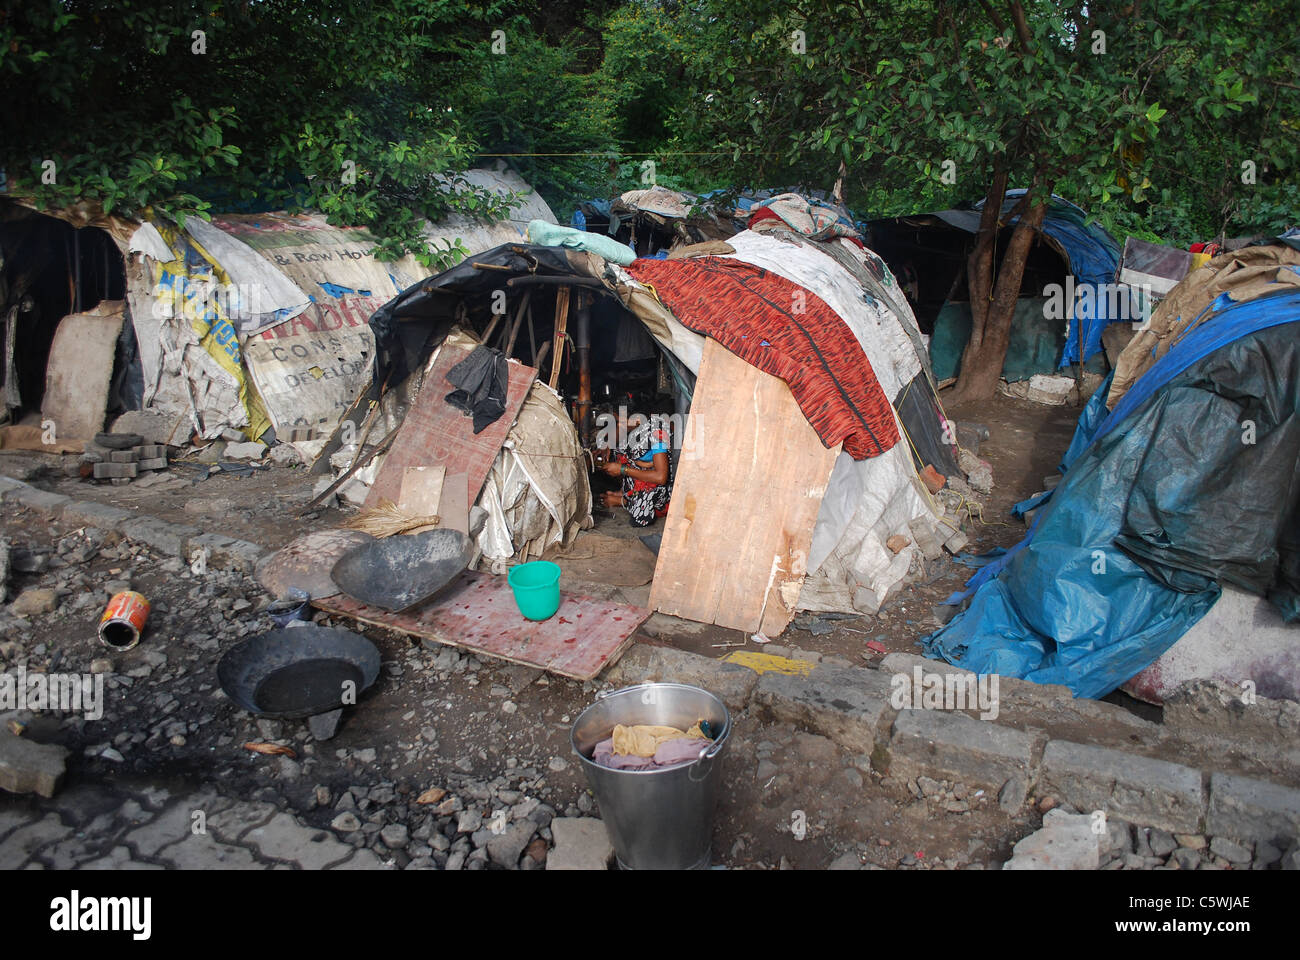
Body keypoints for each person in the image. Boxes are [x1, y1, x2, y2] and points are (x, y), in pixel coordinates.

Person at [597, 411, 671, 526]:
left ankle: (624, 500)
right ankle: (626, 494)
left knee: (640, 517)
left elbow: (660, 477)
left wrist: (623, 469)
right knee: (622, 452)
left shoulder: (657, 435)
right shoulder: (639, 426)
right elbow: (622, 428)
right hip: (644, 473)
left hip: (661, 485)